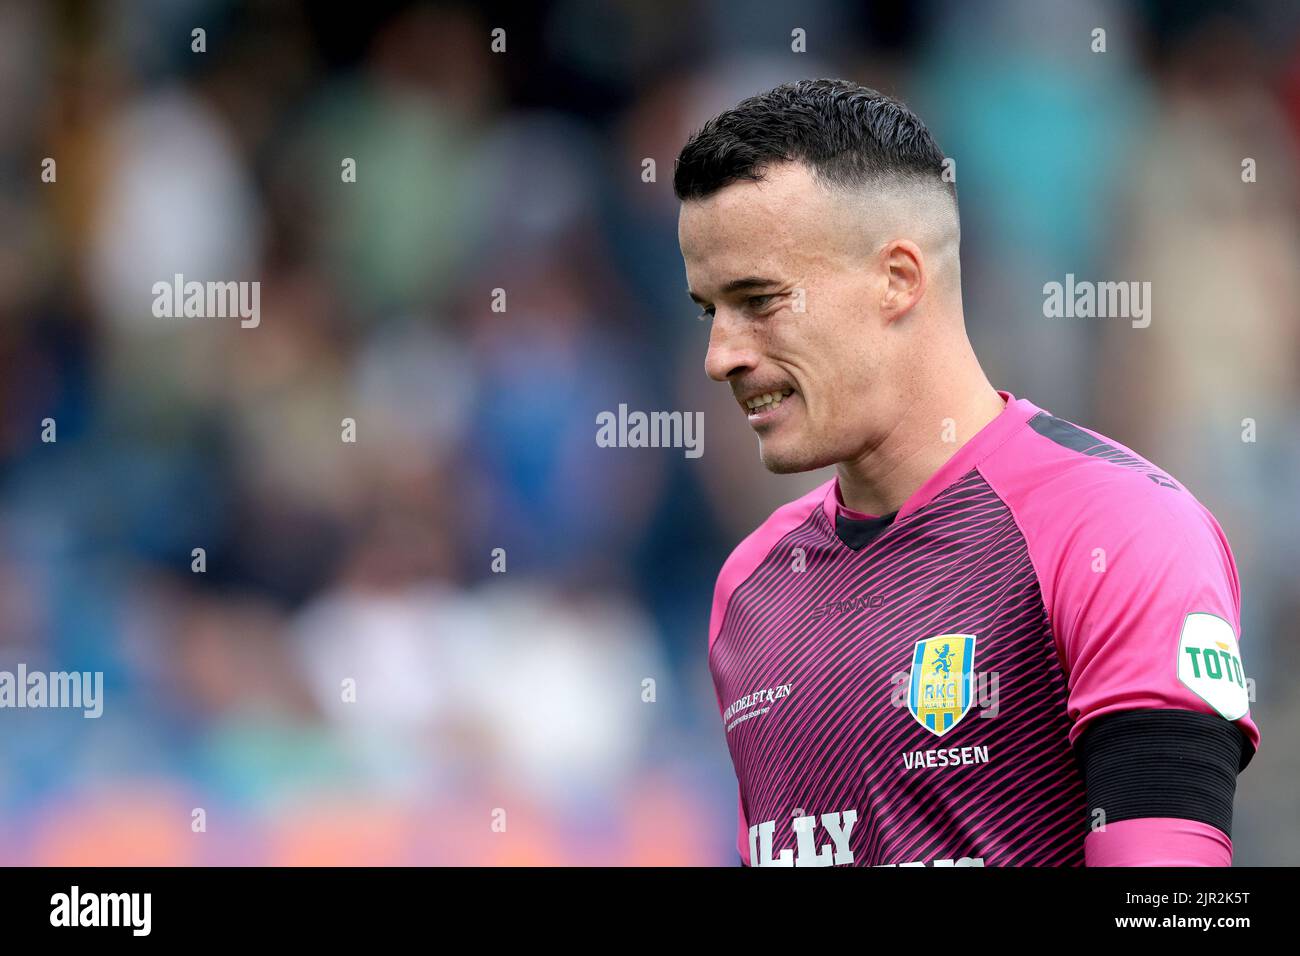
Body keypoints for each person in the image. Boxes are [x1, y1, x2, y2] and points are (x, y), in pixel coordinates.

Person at [674, 78, 1258, 866]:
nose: (721, 357)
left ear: (899, 279)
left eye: (760, 300)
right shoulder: (749, 589)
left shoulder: (1117, 530)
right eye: (710, 310)